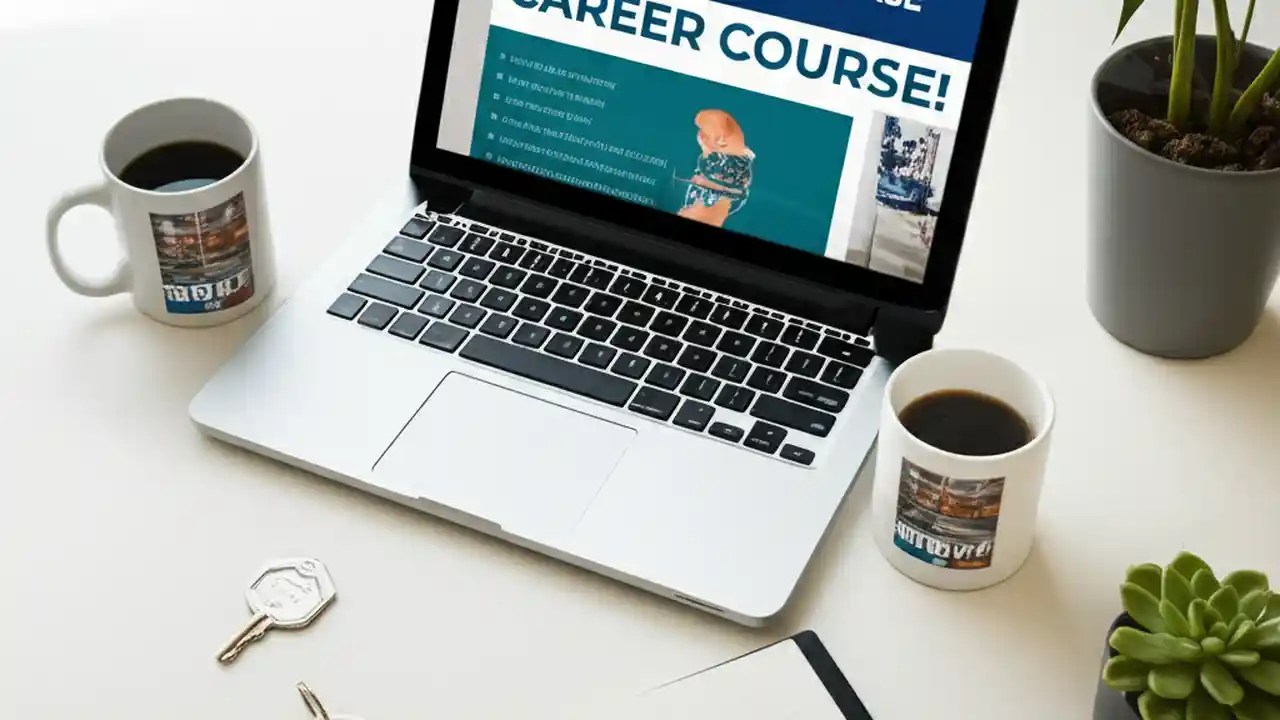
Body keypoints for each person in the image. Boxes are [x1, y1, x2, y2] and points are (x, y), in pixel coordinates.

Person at [678, 109, 755, 228]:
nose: (699, 136)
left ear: (722, 141)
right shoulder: (717, 157)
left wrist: (706, 183)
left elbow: (732, 192)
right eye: (699, 131)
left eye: (704, 134)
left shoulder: (733, 167)